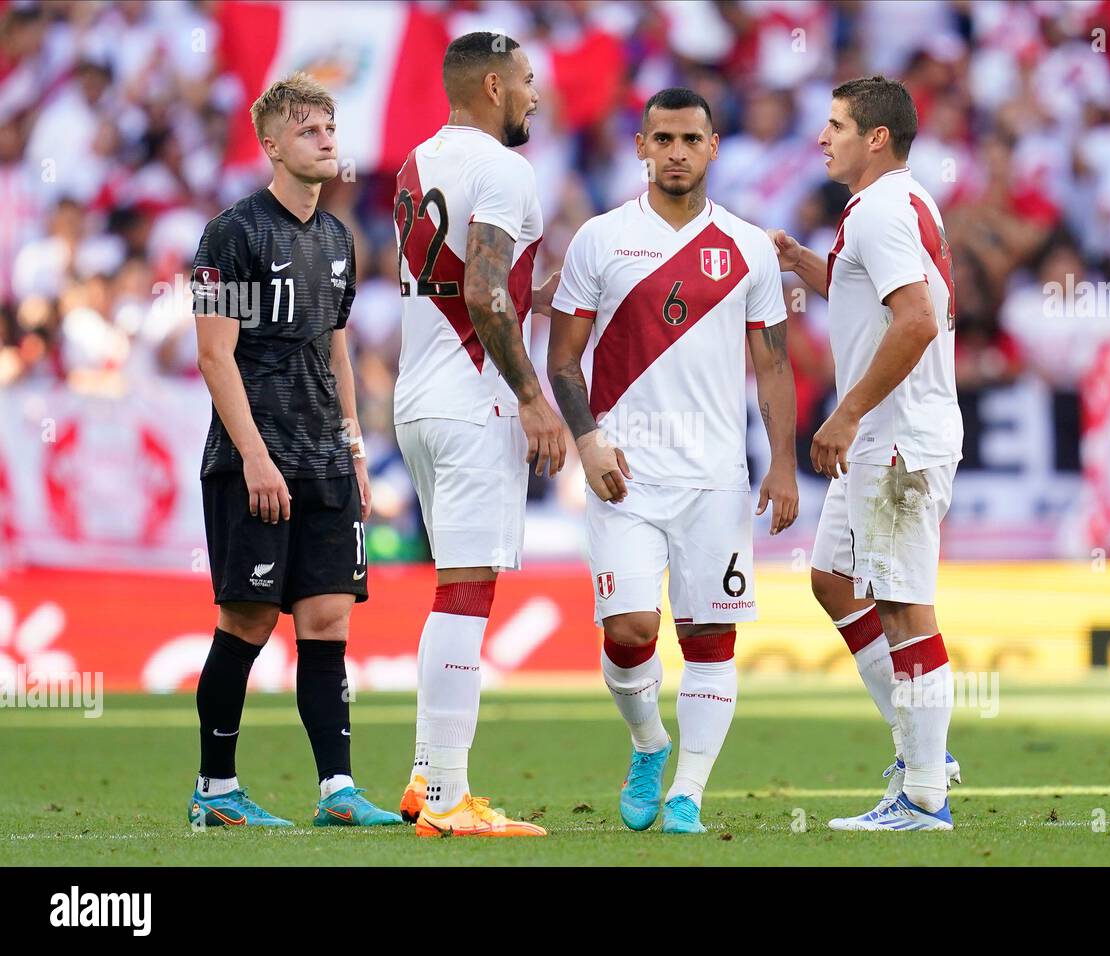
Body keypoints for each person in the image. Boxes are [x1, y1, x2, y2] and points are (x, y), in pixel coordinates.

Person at [547, 88, 798, 835]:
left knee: (710, 639)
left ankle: (688, 792)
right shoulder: (599, 238)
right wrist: (588, 441)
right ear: (642, 148)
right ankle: (649, 743)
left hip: (716, 479)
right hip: (623, 469)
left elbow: (774, 365)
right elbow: (563, 360)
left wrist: (781, 461)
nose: (677, 151)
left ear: (714, 146)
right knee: (627, 629)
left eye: (692, 138)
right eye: (663, 138)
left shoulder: (750, 246)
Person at [189, 73, 399, 828]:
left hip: (324, 461)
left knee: (328, 626)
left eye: (331, 127)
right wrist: (254, 456)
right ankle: (215, 791)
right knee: (246, 624)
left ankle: (337, 791)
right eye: (308, 130)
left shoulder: (341, 239)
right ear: (270, 144)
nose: (326, 139)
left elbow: (336, 351)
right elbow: (216, 356)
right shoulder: (233, 233)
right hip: (255, 459)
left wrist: (355, 447)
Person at [769, 76, 963, 831]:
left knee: (903, 603)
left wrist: (846, 414)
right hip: (890, 431)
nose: (823, 137)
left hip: (894, 435)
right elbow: (878, 301)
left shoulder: (880, 210)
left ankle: (923, 795)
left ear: (875, 137)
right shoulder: (897, 202)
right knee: (833, 581)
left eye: (837, 124)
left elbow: (914, 322)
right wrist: (799, 260)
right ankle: (923, 751)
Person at [392, 32, 565, 838]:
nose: (535, 96)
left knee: (456, 588)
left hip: (420, 398)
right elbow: (486, 291)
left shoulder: (416, 162)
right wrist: (533, 397)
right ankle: (450, 797)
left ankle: (428, 774)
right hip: (476, 400)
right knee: (466, 593)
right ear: (494, 85)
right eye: (528, 82)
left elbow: (467, 284)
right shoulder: (505, 168)